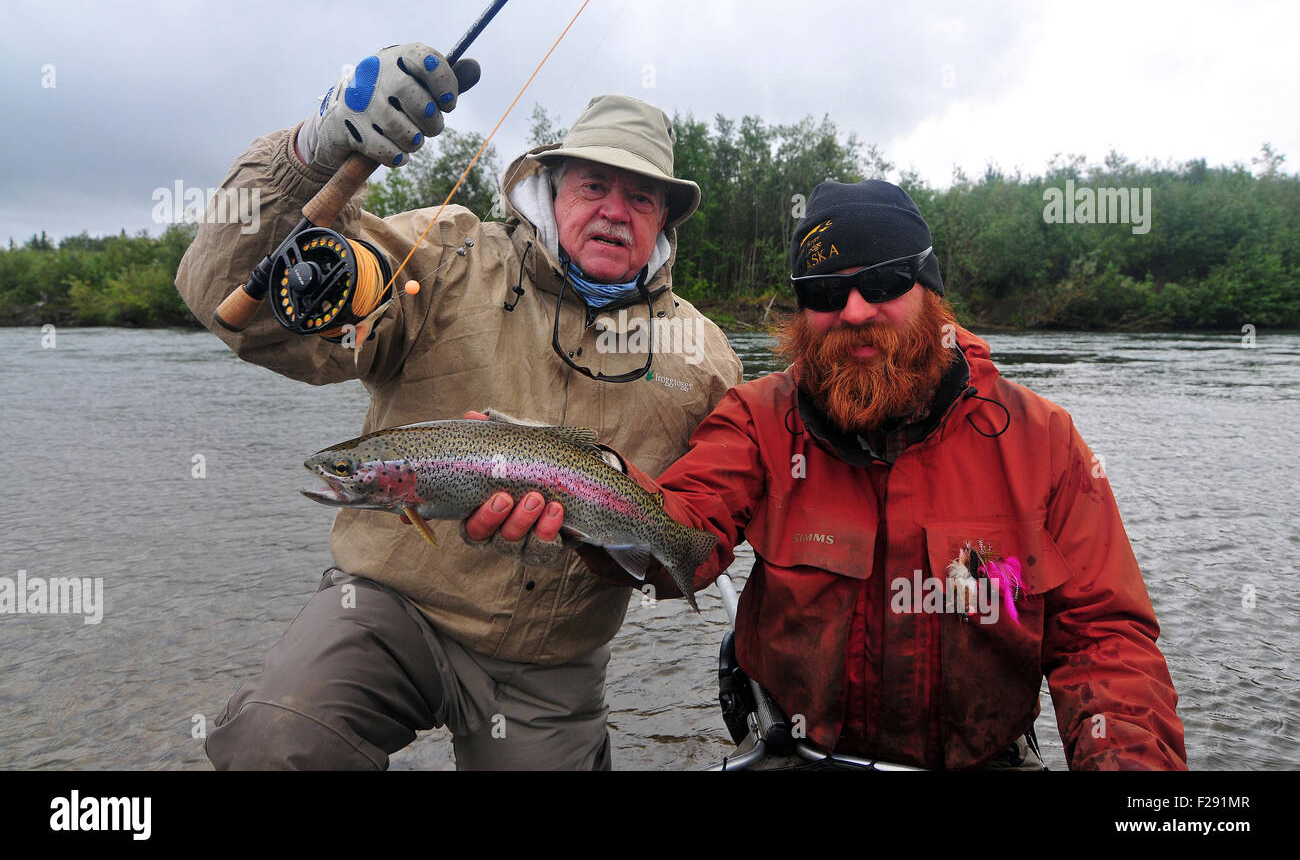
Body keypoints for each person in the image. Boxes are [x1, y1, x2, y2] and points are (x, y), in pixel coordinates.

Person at [478, 179, 1188, 770]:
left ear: (930, 290)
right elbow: (682, 532)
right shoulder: (758, 419)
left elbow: (1105, 645)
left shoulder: (1042, 440)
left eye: (884, 281)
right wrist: (572, 484)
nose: (855, 311)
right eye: (825, 290)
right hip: (800, 754)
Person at [175, 41, 742, 770]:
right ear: (551, 184)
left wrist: (645, 553)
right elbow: (229, 304)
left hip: (555, 658)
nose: (613, 212)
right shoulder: (445, 259)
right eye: (594, 185)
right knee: (274, 742)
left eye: (639, 197)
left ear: (665, 218)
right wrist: (312, 151)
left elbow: (724, 504)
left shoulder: (705, 353)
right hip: (389, 607)